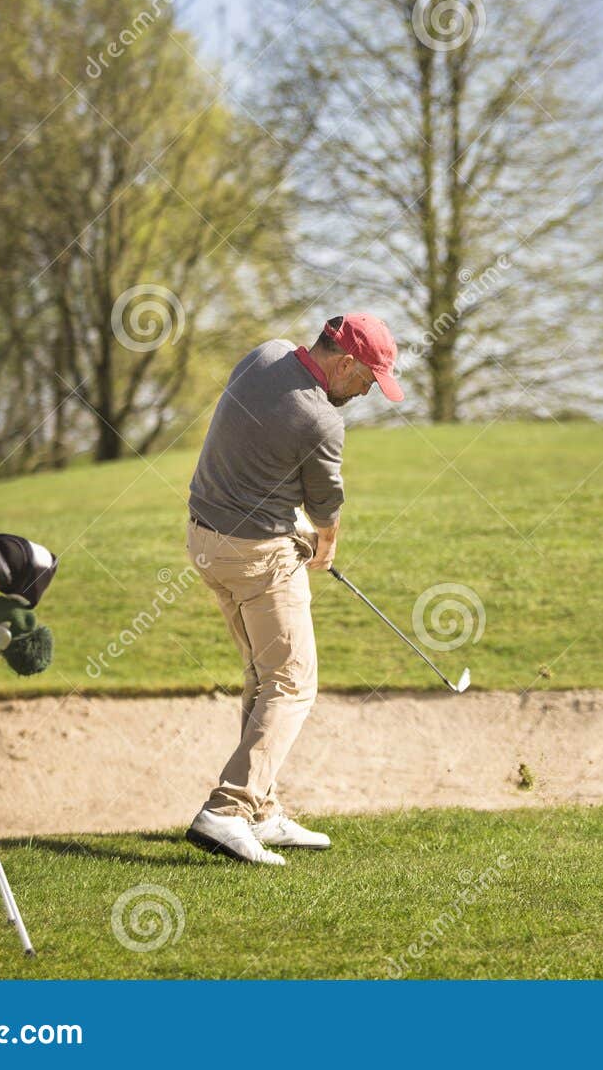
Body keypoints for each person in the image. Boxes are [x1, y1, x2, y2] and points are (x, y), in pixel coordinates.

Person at [184, 313, 403, 864]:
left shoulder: (266, 354)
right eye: (368, 379)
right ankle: (228, 810)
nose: (367, 390)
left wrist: (295, 528)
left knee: (263, 674)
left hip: (205, 539)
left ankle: (261, 810)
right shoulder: (322, 420)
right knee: (293, 681)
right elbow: (324, 506)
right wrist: (322, 546)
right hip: (257, 556)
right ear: (345, 361)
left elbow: (261, 462)